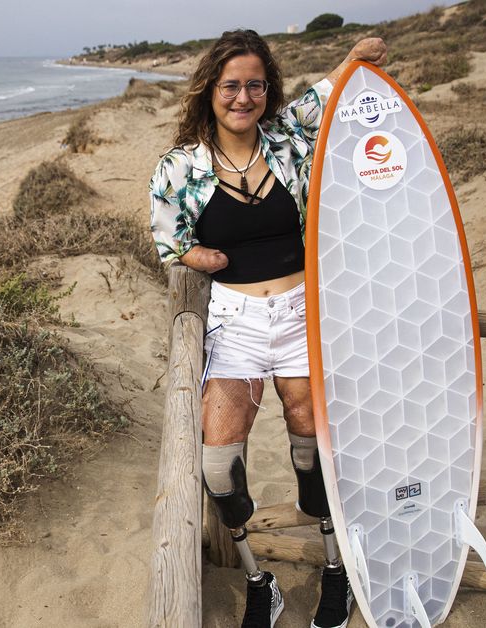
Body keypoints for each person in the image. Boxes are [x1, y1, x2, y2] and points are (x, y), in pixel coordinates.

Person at [149, 29, 387, 628]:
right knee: (218, 465)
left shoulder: (286, 137)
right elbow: (167, 238)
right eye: (231, 85)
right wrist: (193, 255)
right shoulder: (180, 166)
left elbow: (326, 96)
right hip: (235, 322)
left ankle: (335, 569)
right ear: (210, 90)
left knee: (314, 448)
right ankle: (261, 580)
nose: (243, 97)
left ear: (267, 90)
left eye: (255, 85)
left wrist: (353, 59)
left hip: (304, 313)